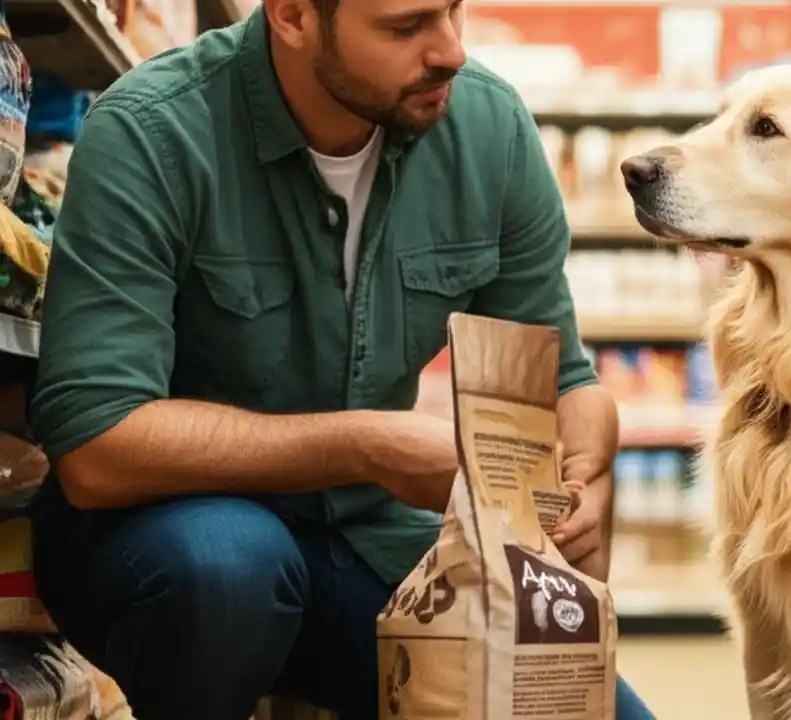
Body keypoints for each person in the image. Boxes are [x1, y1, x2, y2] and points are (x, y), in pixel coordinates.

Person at [28, 0, 655, 718]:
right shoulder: (153, 130)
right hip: (172, 544)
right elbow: (97, 444)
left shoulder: (489, 130)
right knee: (226, 567)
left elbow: (560, 379)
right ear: (294, 16)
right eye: (406, 25)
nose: (449, 49)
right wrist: (365, 447)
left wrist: (588, 465)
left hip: (375, 544)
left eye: (454, 11)